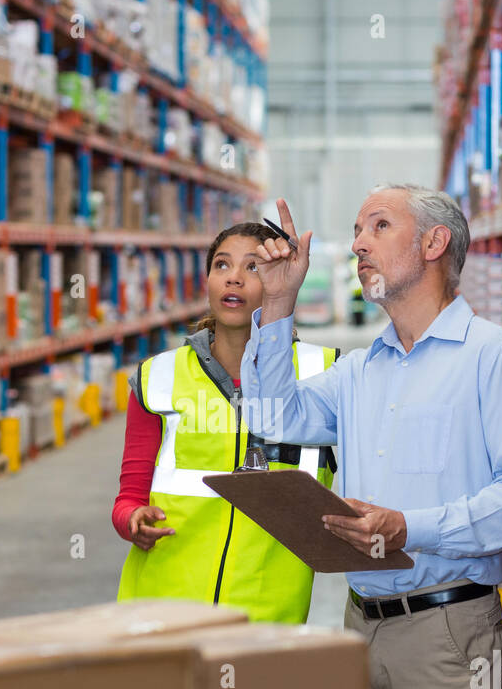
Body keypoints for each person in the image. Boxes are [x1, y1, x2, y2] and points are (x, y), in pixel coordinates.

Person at [241, 187, 502, 689]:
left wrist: (410, 527)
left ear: (435, 244)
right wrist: (276, 306)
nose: (358, 243)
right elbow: (270, 420)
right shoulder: (361, 371)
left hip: (447, 633)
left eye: (379, 226)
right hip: (363, 625)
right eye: (356, 229)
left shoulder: (494, 358)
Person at [114, 223, 339, 623]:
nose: (233, 276)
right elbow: (129, 496)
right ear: (207, 281)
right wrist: (132, 520)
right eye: (222, 265)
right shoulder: (158, 378)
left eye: (253, 267)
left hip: (267, 611)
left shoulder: (322, 374)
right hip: (165, 605)